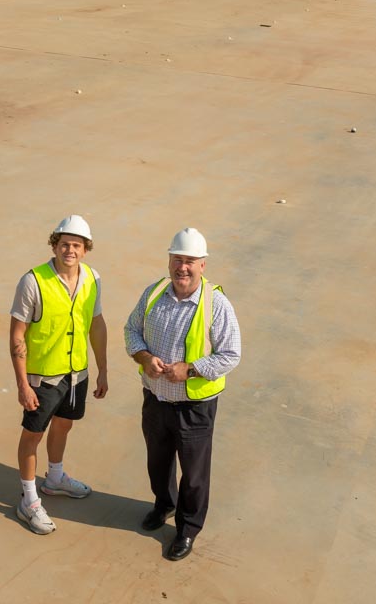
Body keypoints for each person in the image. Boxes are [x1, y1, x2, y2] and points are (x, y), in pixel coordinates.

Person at [125, 227, 242, 561]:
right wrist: (145, 357)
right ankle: (164, 505)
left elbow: (231, 354)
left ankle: (188, 528)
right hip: (155, 401)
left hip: (194, 408)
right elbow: (131, 330)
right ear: (169, 261)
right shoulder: (153, 293)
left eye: (190, 261)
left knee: (193, 475)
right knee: (157, 464)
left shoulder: (216, 304)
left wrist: (190, 369)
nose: (183, 268)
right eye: (178, 260)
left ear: (203, 265)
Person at [9, 215, 108, 535]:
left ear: (86, 249)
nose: (70, 250)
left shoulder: (93, 278)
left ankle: (54, 478)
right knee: (32, 436)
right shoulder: (33, 281)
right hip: (42, 377)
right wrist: (23, 384)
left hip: (77, 373)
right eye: (64, 243)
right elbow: (17, 334)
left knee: (65, 425)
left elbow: (96, 323)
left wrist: (102, 368)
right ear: (54, 245)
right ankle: (29, 500)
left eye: (77, 245)